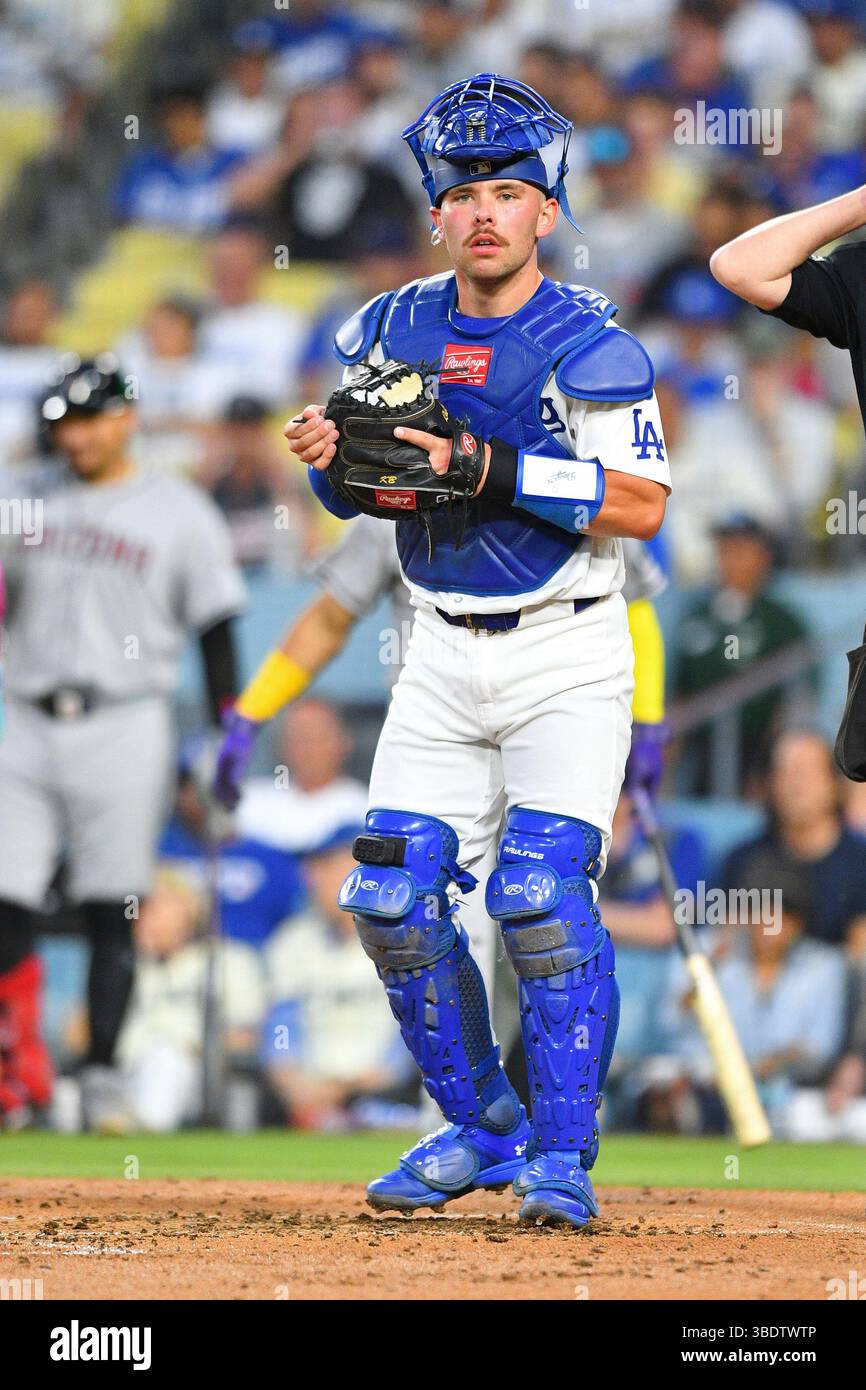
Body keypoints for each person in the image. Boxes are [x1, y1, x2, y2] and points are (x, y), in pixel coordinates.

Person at [272, 74, 670, 1228]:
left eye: (508, 189)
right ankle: (479, 1123)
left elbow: (641, 505)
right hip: (435, 651)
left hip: (567, 648)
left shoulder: (590, 341)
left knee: (540, 897)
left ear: (546, 209)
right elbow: (356, 486)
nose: (484, 210)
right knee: (389, 895)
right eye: (464, 193)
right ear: (434, 212)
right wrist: (326, 455)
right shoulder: (388, 326)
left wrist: (477, 468)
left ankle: (561, 1154)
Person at [0, 356, 245, 1129]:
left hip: (128, 715)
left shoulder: (179, 509)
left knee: (115, 903)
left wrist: (224, 735)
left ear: (124, 417)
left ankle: (100, 1073)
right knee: (5, 895)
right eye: (62, 424)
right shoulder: (26, 497)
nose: (73, 438)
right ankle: (18, 1066)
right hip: (27, 714)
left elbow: (215, 630)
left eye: (86, 420)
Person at [261, 824, 410, 1130]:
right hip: (311, 1098)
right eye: (313, 868)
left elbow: (414, 1030)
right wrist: (297, 1087)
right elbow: (281, 1026)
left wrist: (351, 1089)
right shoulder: (292, 941)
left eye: (328, 866)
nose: (314, 878)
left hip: (388, 1097)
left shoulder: (404, 938)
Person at [723, 729, 866, 948]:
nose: (795, 785)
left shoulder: (861, 862)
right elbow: (725, 945)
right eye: (784, 771)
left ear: (835, 783)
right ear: (769, 783)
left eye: (807, 772)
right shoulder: (743, 860)